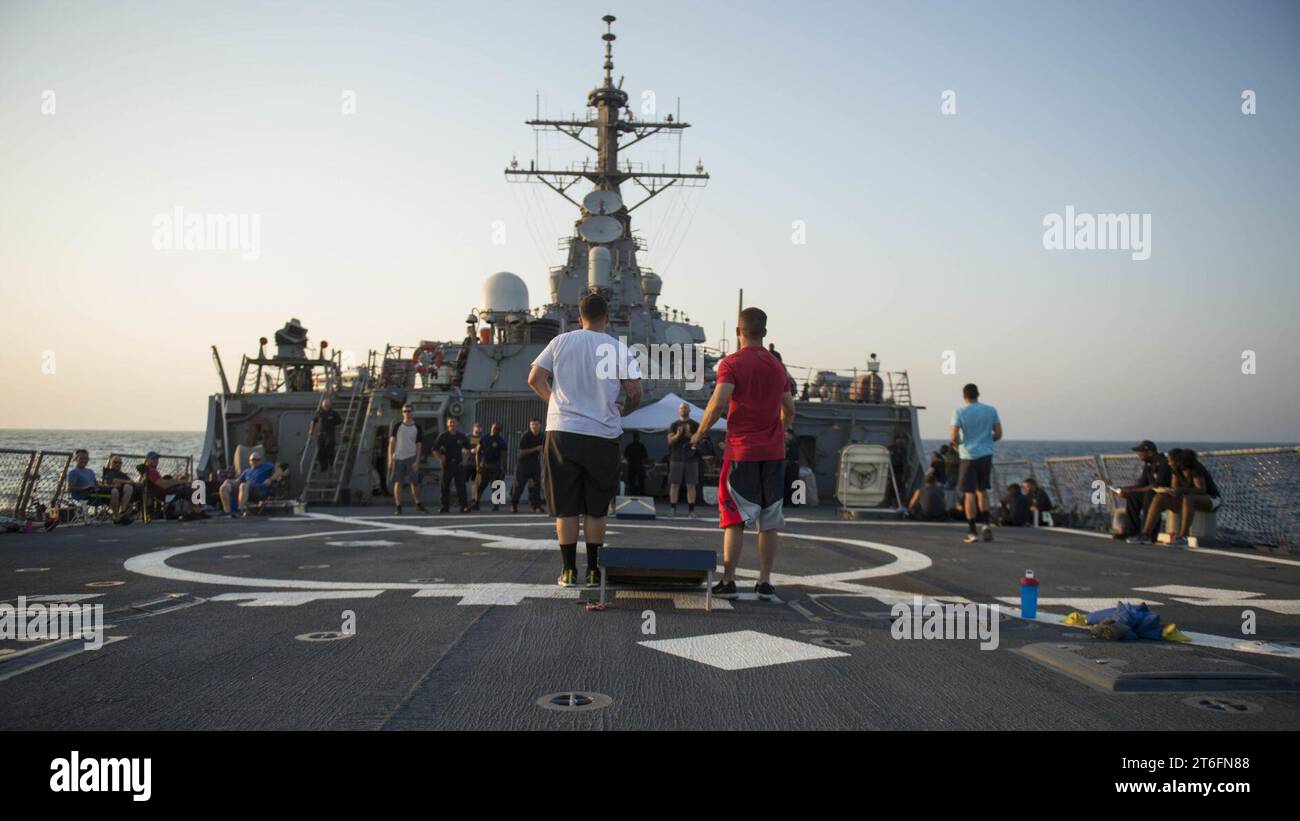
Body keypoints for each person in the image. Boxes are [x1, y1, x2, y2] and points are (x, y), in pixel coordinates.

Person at [527, 292, 642, 587]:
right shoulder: (618, 349)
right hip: (602, 436)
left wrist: (553, 401)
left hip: (562, 432)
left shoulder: (560, 341)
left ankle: (567, 571)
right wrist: (622, 411)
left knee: (565, 508)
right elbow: (635, 392)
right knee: (595, 509)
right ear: (607, 319)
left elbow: (535, 379)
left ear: (579, 318)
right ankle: (593, 571)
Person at [692, 307, 794, 601]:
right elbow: (790, 410)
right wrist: (779, 432)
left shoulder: (732, 363)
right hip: (774, 454)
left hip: (741, 452)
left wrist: (699, 433)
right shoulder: (777, 367)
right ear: (764, 332)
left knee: (734, 519)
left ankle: (729, 579)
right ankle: (764, 581)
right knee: (770, 520)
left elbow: (718, 402)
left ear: (739, 332)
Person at [1133, 448, 1221, 547]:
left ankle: (1183, 537)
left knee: (1188, 498)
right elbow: (1175, 487)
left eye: (1170, 460)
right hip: (1187, 499)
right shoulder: (1175, 470)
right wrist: (1170, 491)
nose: (1168, 462)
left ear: (1177, 461)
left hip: (1211, 499)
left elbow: (1201, 490)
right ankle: (1146, 534)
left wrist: (1181, 490)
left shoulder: (1195, 468)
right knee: (1159, 498)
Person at [950, 383, 1002, 544]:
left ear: (964, 396)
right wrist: (987, 441)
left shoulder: (959, 411)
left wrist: (957, 444)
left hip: (968, 456)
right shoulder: (991, 410)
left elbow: (953, 436)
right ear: (978, 394)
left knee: (969, 495)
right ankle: (986, 525)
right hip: (985, 455)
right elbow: (999, 434)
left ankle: (972, 531)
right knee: (982, 491)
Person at [1114, 440, 1173, 540]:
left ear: (1149, 453)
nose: (1138, 455)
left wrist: (1132, 491)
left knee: (1149, 496)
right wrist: (1124, 489)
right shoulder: (1149, 465)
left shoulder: (1163, 464)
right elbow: (1141, 484)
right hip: (1151, 493)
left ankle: (1149, 534)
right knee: (1133, 496)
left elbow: (1157, 486)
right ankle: (1132, 530)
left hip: (1164, 495)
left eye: (1141, 452)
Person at [387, 405, 427, 515]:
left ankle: (418, 504)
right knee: (398, 482)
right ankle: (398, 506)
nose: (407, 413)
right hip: (398, 458)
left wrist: (417, 461)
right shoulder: (397, 426)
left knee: (414, 483)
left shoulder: (417, 427)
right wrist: (390, 459)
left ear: (412, 412)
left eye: (409, 411)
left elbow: (419, 445)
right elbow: (392, 443)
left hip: (411, 457)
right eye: (405, 411)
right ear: (402, 412)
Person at [666, 403, 701, 517]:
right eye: (681, 408)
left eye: (685, 408)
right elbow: (670, 441)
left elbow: (699, 442)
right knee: (674, 484)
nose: (683, 410)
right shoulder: (674, 425)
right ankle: (672, 509)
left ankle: (691, 511)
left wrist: (689, 434)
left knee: (691, 484)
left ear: (689, 410)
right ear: (678, 410)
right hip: (676, 457)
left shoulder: (695, 424)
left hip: (691, 458)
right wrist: (678, 434)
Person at [432, 416, 471, 513]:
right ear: (447, 424)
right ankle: (445, 507)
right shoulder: (443, 436)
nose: (452, 424)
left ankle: (464, 507)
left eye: (454, 422)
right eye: (450, 423)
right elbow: (434, 449)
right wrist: (440, 459)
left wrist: (465, 461)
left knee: (461, 486)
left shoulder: (462, 436)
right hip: (447, 465)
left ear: (457, 424)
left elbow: (468, 448)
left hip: (459, 465)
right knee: (444, 486)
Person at [511, 418, 545, 513]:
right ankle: (514, 505)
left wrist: (542, 467)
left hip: (535, 463)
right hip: (523, 463)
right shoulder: (526, 436)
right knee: (519, 486)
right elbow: (521, 452)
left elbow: (543, 452)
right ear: (530, 426)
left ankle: (536, 506)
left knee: (537, 486)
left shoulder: (542, 436)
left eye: (536, 424)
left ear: (540, 425)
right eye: (532, 424)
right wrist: (535, 449)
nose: (534, 426)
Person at [472, 422, 507, 511]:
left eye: (498, 429)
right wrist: (478, 465)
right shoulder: (484, 438)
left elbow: (503, 456)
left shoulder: (501, 440)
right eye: (495, 428)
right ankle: (476, 503)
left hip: (495, 465)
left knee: (496, 485)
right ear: (491, 428)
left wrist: (503, 469)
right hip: (484, 465)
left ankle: (496, 505)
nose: (496, 430)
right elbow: (478, 452)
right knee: (481, 485)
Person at [309, 396, 343, 472]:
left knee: (329, 446)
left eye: (327, 405)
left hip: (330, 433)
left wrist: (341, 431)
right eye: (325, 406)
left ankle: (331, 463)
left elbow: (339, 422)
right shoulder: (319, 413)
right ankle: (323, 466)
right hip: (321, 434)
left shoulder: (334, 413)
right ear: (322, 405)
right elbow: (313, 421)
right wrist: (311, 430)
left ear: (329, 406)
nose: (326, 407)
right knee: (321, 450)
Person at [100, 455, 137, 522]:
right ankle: (117, 515)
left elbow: (131, 482)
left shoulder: (122, 474)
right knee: (120, 489)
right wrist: (126, 482)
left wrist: (139, 483)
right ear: (111, 463)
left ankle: (122, 512)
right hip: (109, 493)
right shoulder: (108, 472)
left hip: (122, 493)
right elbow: (111, 480)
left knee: (129, 487)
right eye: (115, 462)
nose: (117, 464)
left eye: (119, 463)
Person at [623, 430, 648, 496]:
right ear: (638, 437)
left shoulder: (629, 446)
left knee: (631, 481)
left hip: (631, 465)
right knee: (641, 481)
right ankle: (642, 494)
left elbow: (625, 456)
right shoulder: (641, 446)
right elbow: (645, 457)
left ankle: (632, 494)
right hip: (639, 465)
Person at [464, 422, 483, 504]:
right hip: (468, 463)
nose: (478, 432)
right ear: (473, 429)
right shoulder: (468, 437)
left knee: (476, 482)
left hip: (477, 464)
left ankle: (474, 499)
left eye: (479, 429)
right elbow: (463, 448)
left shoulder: (482, 438)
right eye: (476, 429)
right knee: (462, 481)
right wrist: (470, 451)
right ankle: (462, 498)